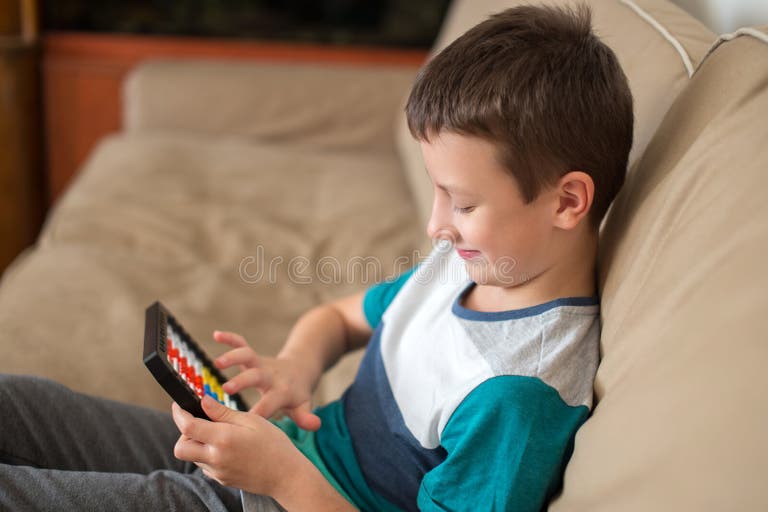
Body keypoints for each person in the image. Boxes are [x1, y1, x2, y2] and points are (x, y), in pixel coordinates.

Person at [0, 3, 632, 511]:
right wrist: (297, 367)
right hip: (280, 453)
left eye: (461, 202)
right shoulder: (470, 266)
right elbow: (340, 317)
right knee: (17, 404)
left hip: (284, 494)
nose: (437, 225)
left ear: (567, 201)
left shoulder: (519, 397)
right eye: (436, 192)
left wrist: (281, 479)